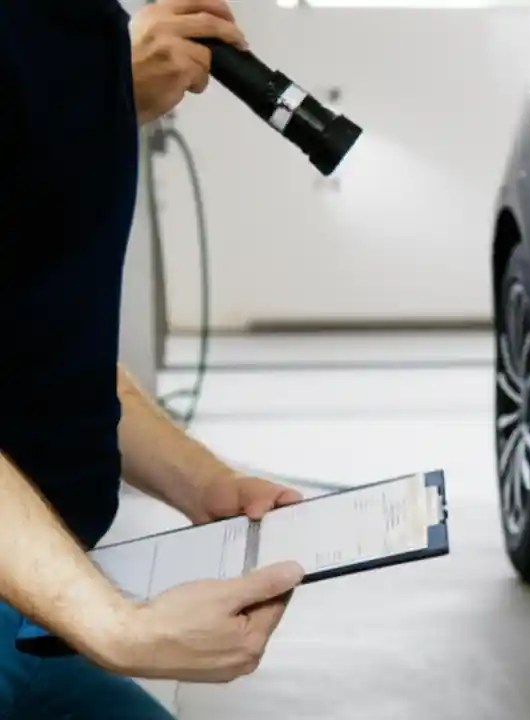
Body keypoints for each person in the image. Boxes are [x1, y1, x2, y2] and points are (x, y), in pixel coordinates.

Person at [0, 0, 306, 716]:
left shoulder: (77, 34)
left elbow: (36, 340)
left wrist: (208, 486)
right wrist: (115, 626)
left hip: (30, 595)